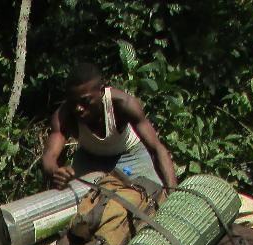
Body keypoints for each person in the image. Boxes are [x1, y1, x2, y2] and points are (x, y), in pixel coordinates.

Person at [41, 62, 178, 193]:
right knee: (77, 201)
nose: (78, 108)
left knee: (152, 195)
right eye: (73, 102)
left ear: (101, 91)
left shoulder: (123, 105)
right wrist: (55, 171)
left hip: (130, 154)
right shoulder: (64, 115)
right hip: (90, 158)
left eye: (85, 101)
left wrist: (172, 193)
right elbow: (49, 156)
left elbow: (156, 148)